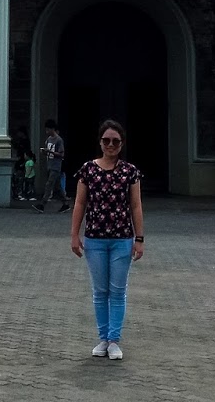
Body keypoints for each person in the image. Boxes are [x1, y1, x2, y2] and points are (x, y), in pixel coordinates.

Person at [69, 119, 143, 362]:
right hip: (95, 240)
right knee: (100, 291)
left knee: (118, 291)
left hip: (122, 239)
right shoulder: (88, 170)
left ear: (122, 144)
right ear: (100, 142)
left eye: (116, 141)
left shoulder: (130, 171)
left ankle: (114, 339)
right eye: (106, 140)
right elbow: (80, 203)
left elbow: (135, 205)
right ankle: (102, 338)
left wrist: (139, 238)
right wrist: (74, 235)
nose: (111, 145)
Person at [34, 118, 68, 212]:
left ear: (52, 129)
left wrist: (50, 152)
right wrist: (45, 152)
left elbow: (61, 154)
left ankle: (42, 204)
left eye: (48, 129)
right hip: (50, 164)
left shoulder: (59, 140)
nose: (47, 131)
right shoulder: (48, 139)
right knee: (57, 186)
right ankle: (65, 203)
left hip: (56, 166)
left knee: (49, 184)